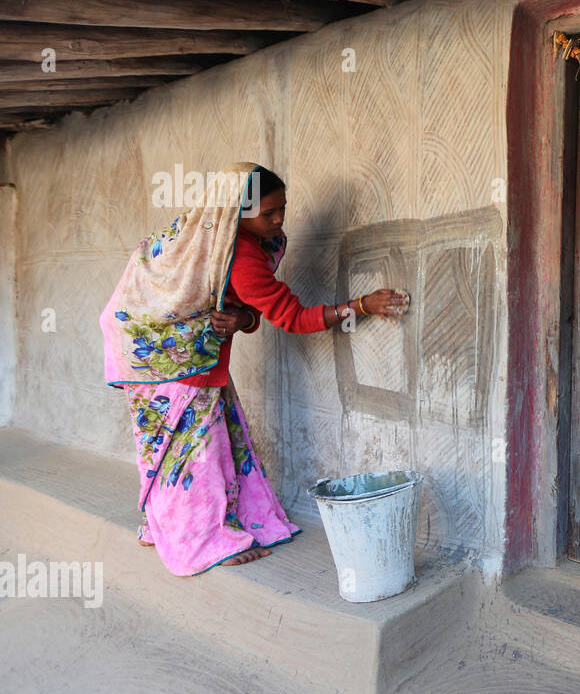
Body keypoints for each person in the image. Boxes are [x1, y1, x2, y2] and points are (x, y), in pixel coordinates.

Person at [99, 162, 408, 575]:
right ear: (237, 210)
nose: (280, 220)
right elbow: (293, 317)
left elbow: (234, 307)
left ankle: (166, 527)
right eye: (269, 213)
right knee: (192, 453)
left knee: (179, 446)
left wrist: (242, 320)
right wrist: (361, 306)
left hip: (141, 352)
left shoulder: (200, 232)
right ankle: (200, 544)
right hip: (169, 361)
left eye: (282, 208)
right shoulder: (240, 255)